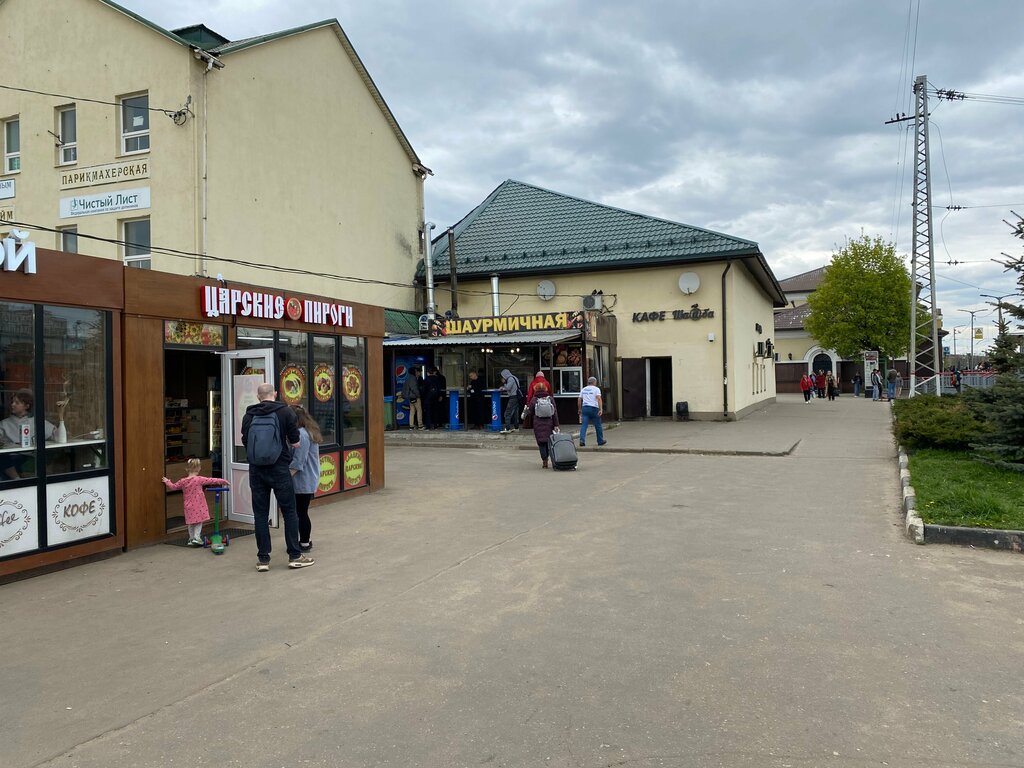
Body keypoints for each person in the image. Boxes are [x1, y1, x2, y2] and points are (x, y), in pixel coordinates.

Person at [240, 382, 314, 572]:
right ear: (274, 393)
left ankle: (263, 559)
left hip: (257, 470)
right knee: (290, 512)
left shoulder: (249, 415)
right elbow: (296, 441)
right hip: (280, 469)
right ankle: (294, 555)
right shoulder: (285, 412)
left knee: (260, 515)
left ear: (258, 396)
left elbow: (245, 440)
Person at [161, 459, 229, 546]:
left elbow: (173, 487)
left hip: (188, 505)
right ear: (199, 469)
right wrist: (223, 481)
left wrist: (167, 481)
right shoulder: (199, 479)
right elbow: (211, 480)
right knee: (199, 521)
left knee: (191, 522)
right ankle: (197, 538)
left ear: (187, 469)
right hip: (198, 504)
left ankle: (191, 538)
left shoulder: (183, 481)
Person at [0, 389, 58, 480]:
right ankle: (17, 479)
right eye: (12, 402)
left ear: (27, 406)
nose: (12, 405)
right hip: (10, 456)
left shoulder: (36, 421)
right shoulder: (4, 423)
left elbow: (55, 435)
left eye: (17, 403)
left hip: (29, 456)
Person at [289, 405, 322, 553]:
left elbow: (298, 462)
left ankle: (304, 543)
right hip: (307, 479)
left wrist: (285, 477)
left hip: (302, 480)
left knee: (300, 512)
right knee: (301, 511)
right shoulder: (309, 431)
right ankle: (304, 541)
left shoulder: (301, 434)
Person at [528, 382, 560, 468]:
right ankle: (549, 457)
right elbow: (555, 413)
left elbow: (530, 412)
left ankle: (544, 460)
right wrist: (556, 425)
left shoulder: (534, 399)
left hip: (538, 423)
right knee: (549, 442)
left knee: (541, 443)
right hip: (549, 423)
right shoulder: (550, 399)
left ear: (536, 389)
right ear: (545, 389)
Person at [578, 376, 607, 447]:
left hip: (585, 408)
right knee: (598, 425)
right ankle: (600, 441)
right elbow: (599, 399)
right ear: (594, 382)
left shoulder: (583, 389)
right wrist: (601, 409)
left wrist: (579, 409)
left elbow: (579, 399)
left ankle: (582, 440)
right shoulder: (596, 389)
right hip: (594, 408)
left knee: (584, 425)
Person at [499, 368, 522, 433]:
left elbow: (508, 388)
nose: (502, 377)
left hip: (513, 397)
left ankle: (507, 428)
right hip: (517, 397)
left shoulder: (510, 379)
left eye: (502, 376)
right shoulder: (515, 377)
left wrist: (504, 385)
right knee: (515, 413)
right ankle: (516, 427)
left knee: (507, 413)